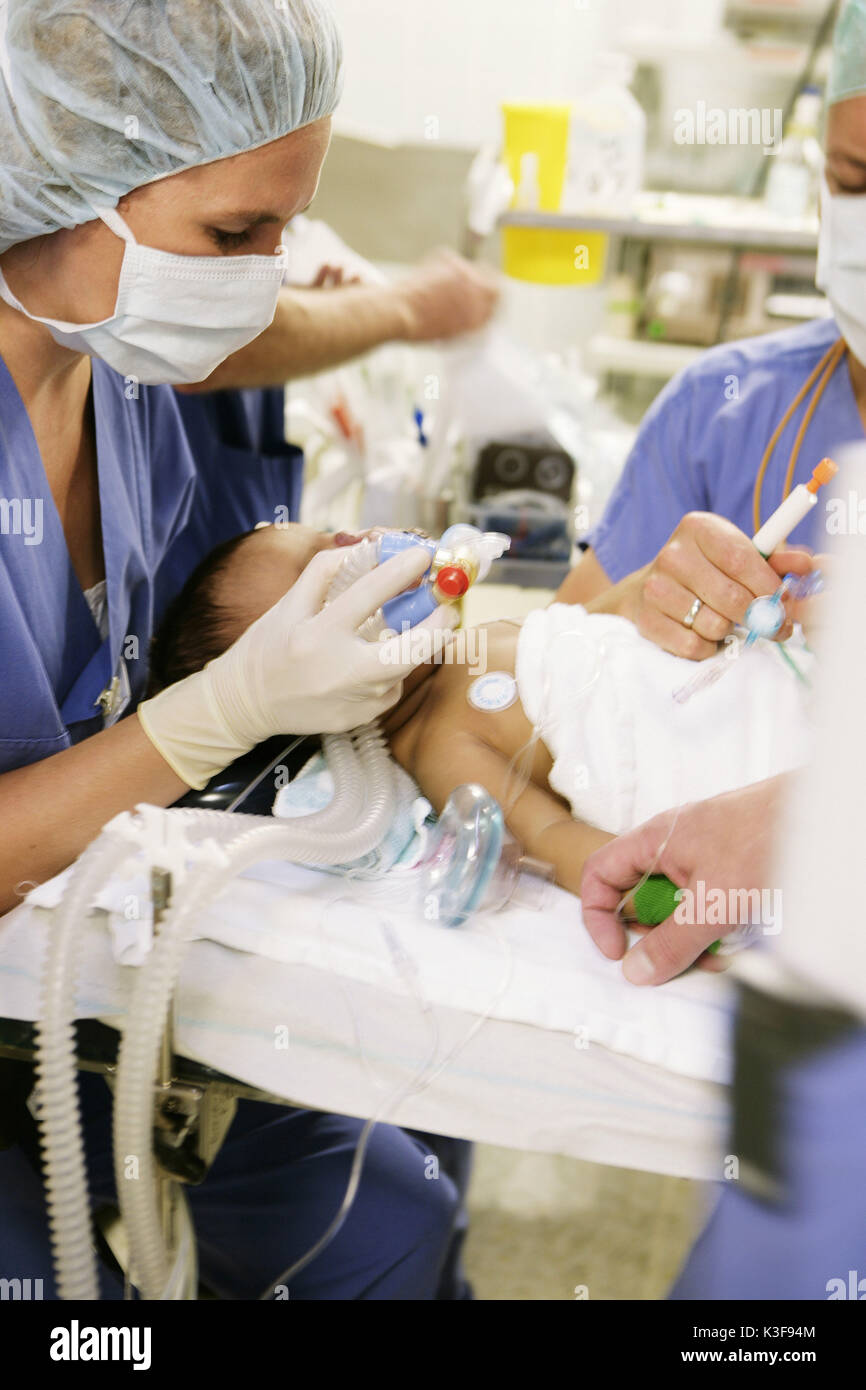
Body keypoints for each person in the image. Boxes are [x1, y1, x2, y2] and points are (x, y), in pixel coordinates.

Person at [0, 0, 471, 1300]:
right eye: (235, 233)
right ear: (59, 174)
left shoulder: (140, 357)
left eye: (285, 227)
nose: (266, 272)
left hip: (119, 982)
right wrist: (221, 708)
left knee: (391, 1221)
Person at [142, 520, 815, 909]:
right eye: (330, 576)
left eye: (333, 530)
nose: (361, 541)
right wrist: (654, 891)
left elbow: (591, 638)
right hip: (726, 764)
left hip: (768, 683)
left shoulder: (469, 643)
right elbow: (549, 837)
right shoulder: (439, 742)